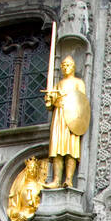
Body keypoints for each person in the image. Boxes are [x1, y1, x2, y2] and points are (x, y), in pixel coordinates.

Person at [44, 57, 89, 189]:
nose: (65, 67)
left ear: (73, 67)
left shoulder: (78, 82)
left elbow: (82, 102)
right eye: (63, 65)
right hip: (59, 117)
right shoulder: (59, 84)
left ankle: (68, 179)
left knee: (71, 150)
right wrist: (50, 98)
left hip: (73, 117)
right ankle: (56, 180)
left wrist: (68, 99)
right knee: (57, 149)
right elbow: (50, 104)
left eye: (68, 65)